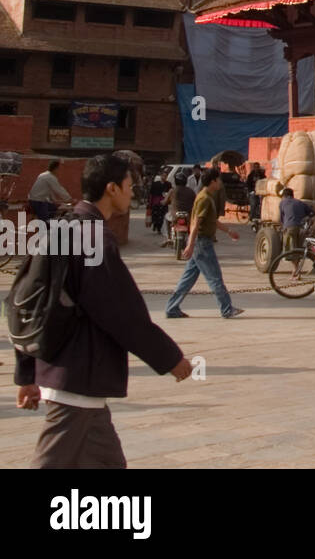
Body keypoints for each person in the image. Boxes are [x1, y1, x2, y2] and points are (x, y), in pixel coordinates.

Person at [14, 152, 193, 468]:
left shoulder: (60, 229)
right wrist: (170, 359)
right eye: (128, 185)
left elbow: (27, 302)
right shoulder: (95, 239)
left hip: (67, 375)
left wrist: (27, 373)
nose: (132, 192)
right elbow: (124, 315)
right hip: (77, 378)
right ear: (111, 189)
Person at [164, 168, 244, 319]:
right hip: (202, 243)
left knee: (187, 279)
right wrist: (191, 244)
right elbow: (195, 223)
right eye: (218, 180)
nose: (220, 182)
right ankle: (227, 309)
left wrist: (229, 231)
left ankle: (171, 308)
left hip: (201, 242)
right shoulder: (204, 198)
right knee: (215, 277)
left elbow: (212, 220)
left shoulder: (207, 197)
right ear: (213, 181)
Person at [278, 186, 314, 255]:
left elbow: (282, 218)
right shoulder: (300, 202)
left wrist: (282, 227)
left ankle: (295, 264)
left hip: (290, 228)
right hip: (302, 228)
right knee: (298, 248)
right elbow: (312, 213)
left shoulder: (282, 202)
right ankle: (297, 263)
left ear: (284, 196)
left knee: (289, 252)